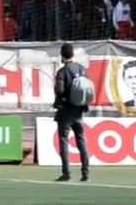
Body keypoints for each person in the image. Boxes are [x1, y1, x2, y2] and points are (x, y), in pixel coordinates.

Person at [52, 43, 90, 183]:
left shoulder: (62, 72)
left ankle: (66, 172)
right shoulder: (81, 69)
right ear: (72, 54)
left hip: (65, 111)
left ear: (62, 55)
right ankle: (85, 172)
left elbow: (60, 90)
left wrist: (58, 101)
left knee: (64, 141)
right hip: (79, 110)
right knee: (81, 141)